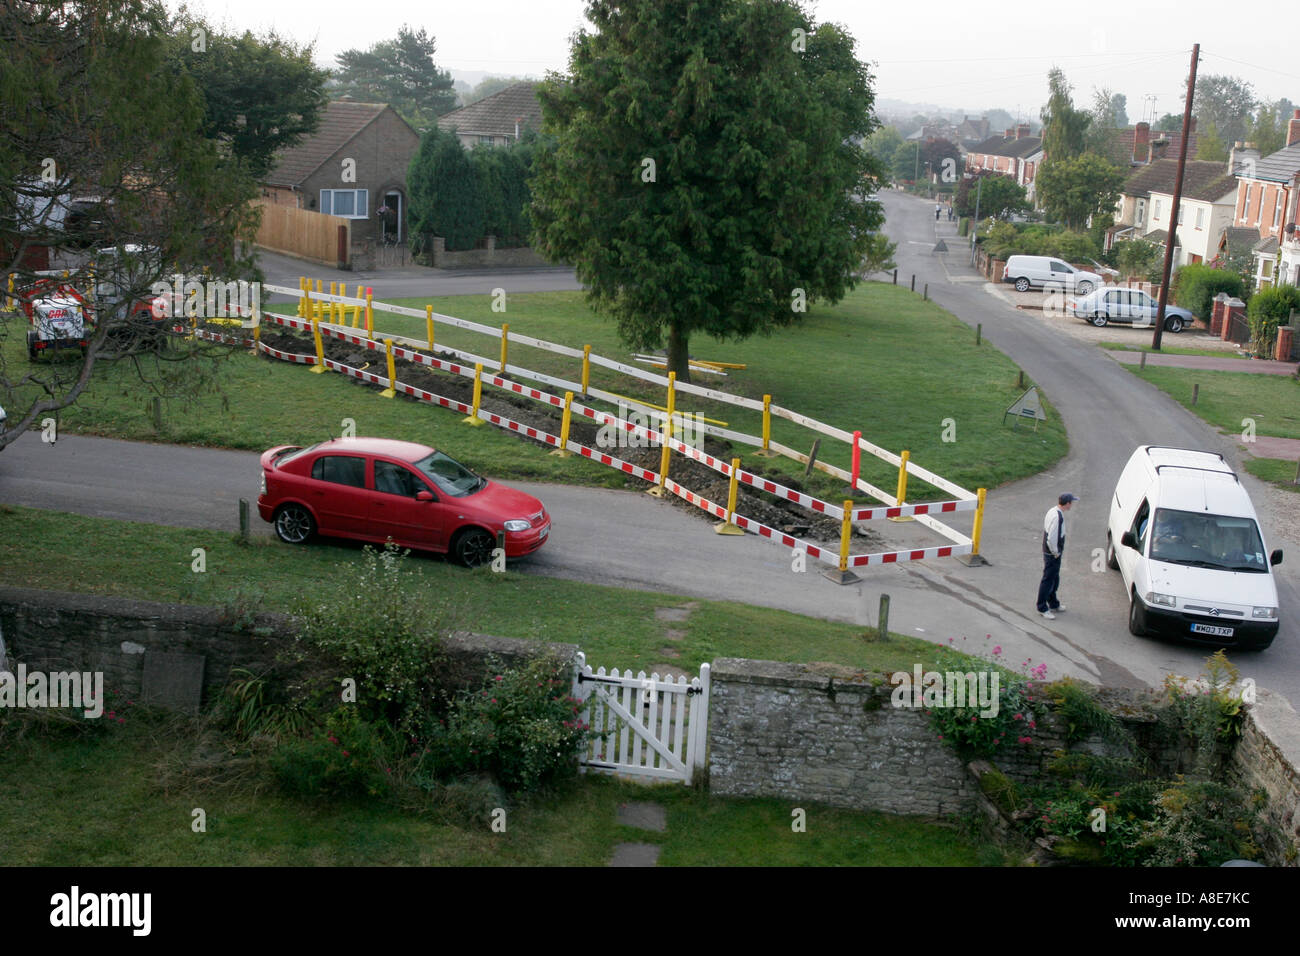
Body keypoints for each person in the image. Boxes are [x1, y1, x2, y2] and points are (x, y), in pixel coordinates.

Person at [1037, 493, 1077, 620]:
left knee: (1054, 578)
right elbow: (1052, 537)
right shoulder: (1057, 517)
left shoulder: (1053, 511)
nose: (1072, 504)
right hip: (1052, 554)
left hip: (1050, 552)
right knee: (1048, 580)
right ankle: (1042, 607)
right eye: (1071, 502)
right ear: (1068, 503)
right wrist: (1056, 552)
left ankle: (1053, 603)